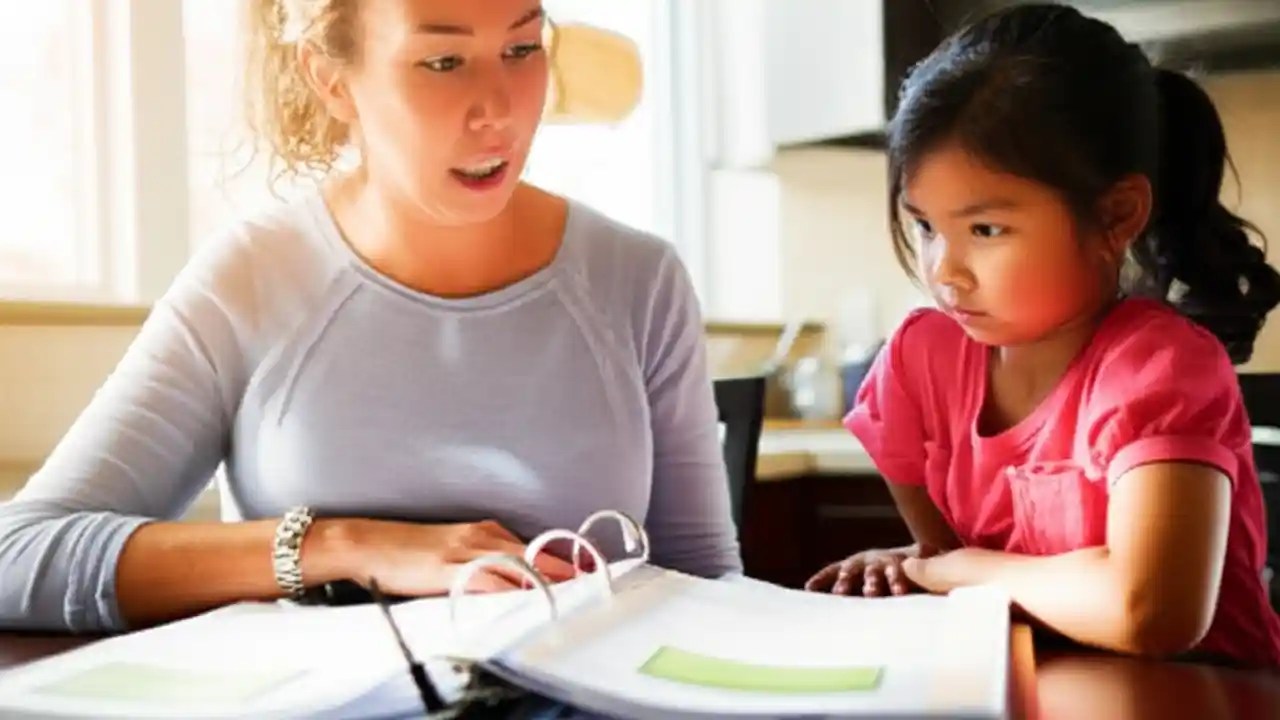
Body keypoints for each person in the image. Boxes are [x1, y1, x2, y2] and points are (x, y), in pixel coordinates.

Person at [0, 0, 740, 633]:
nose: (501, 110)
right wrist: (343, 545)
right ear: (332, 79)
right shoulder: (252, 280)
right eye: (443, 63)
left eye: (521, 47)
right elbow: (18, 555)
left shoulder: (640, 280)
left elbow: (709, 589)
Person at [805, 2, 1280, 668]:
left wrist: (963, 570)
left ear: (1117, 215)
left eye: (986, 230)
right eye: (925, 227)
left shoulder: (1159, 366)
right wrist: (927, 568)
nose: (944, 271)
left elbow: (1152, 610)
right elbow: (948, 566)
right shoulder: (920, 362)